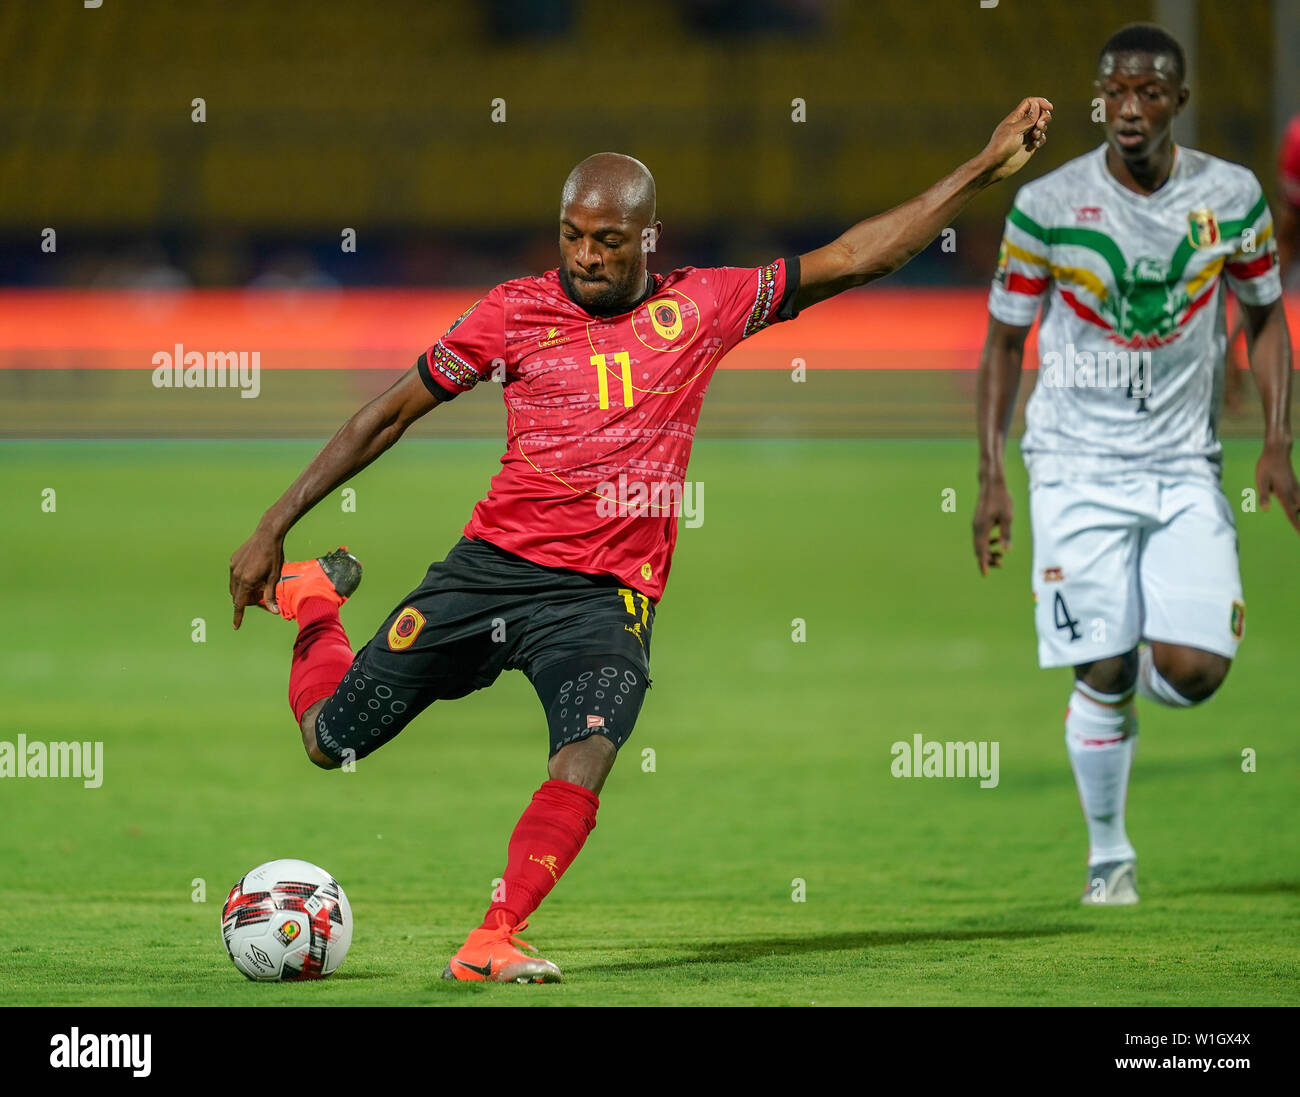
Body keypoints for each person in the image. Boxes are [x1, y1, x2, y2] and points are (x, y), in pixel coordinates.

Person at [230, 95, 1053, 982]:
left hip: (603, 599)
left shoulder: (704, 305)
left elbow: (857, 256)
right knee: (330, 740)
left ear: (647, 239)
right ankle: (316, 601)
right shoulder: (512, 313)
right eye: (573, 234)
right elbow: (390, 412)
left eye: (609, 240)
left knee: (586, 752)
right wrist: (275, 524)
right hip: (490, 572)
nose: (587, 254)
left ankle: (494, 934)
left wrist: (980, 165)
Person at [973, 24, 1296, 905]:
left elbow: (1265, 319)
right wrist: (992, 474)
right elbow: (1004, 342)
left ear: (1176, 103)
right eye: (1114, 90)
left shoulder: (1231, 197)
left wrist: (1277, 440)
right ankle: (1108, 855)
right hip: (1074, 465)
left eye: (1149, 91)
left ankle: (1130, 668)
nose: (1128, 106)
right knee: (1101, 667)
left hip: (1186, 460)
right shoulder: (1048, 204)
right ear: (1099, 98)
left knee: (1194, 671)